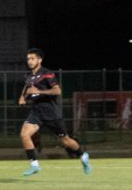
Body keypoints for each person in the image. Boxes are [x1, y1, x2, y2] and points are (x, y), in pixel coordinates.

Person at [18, 48, 91, 176]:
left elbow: (57, 91)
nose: (29, 61)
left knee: (65, 141)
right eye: (28, 59)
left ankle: (82, 155)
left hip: (51, 113)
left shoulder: (47, 73)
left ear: (39, 60)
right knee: (24, 134)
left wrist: (39, 92)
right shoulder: (28, 76)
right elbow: (27, 87)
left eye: (32, 58)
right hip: (36, 112)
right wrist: (22, 97)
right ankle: (34, 165)